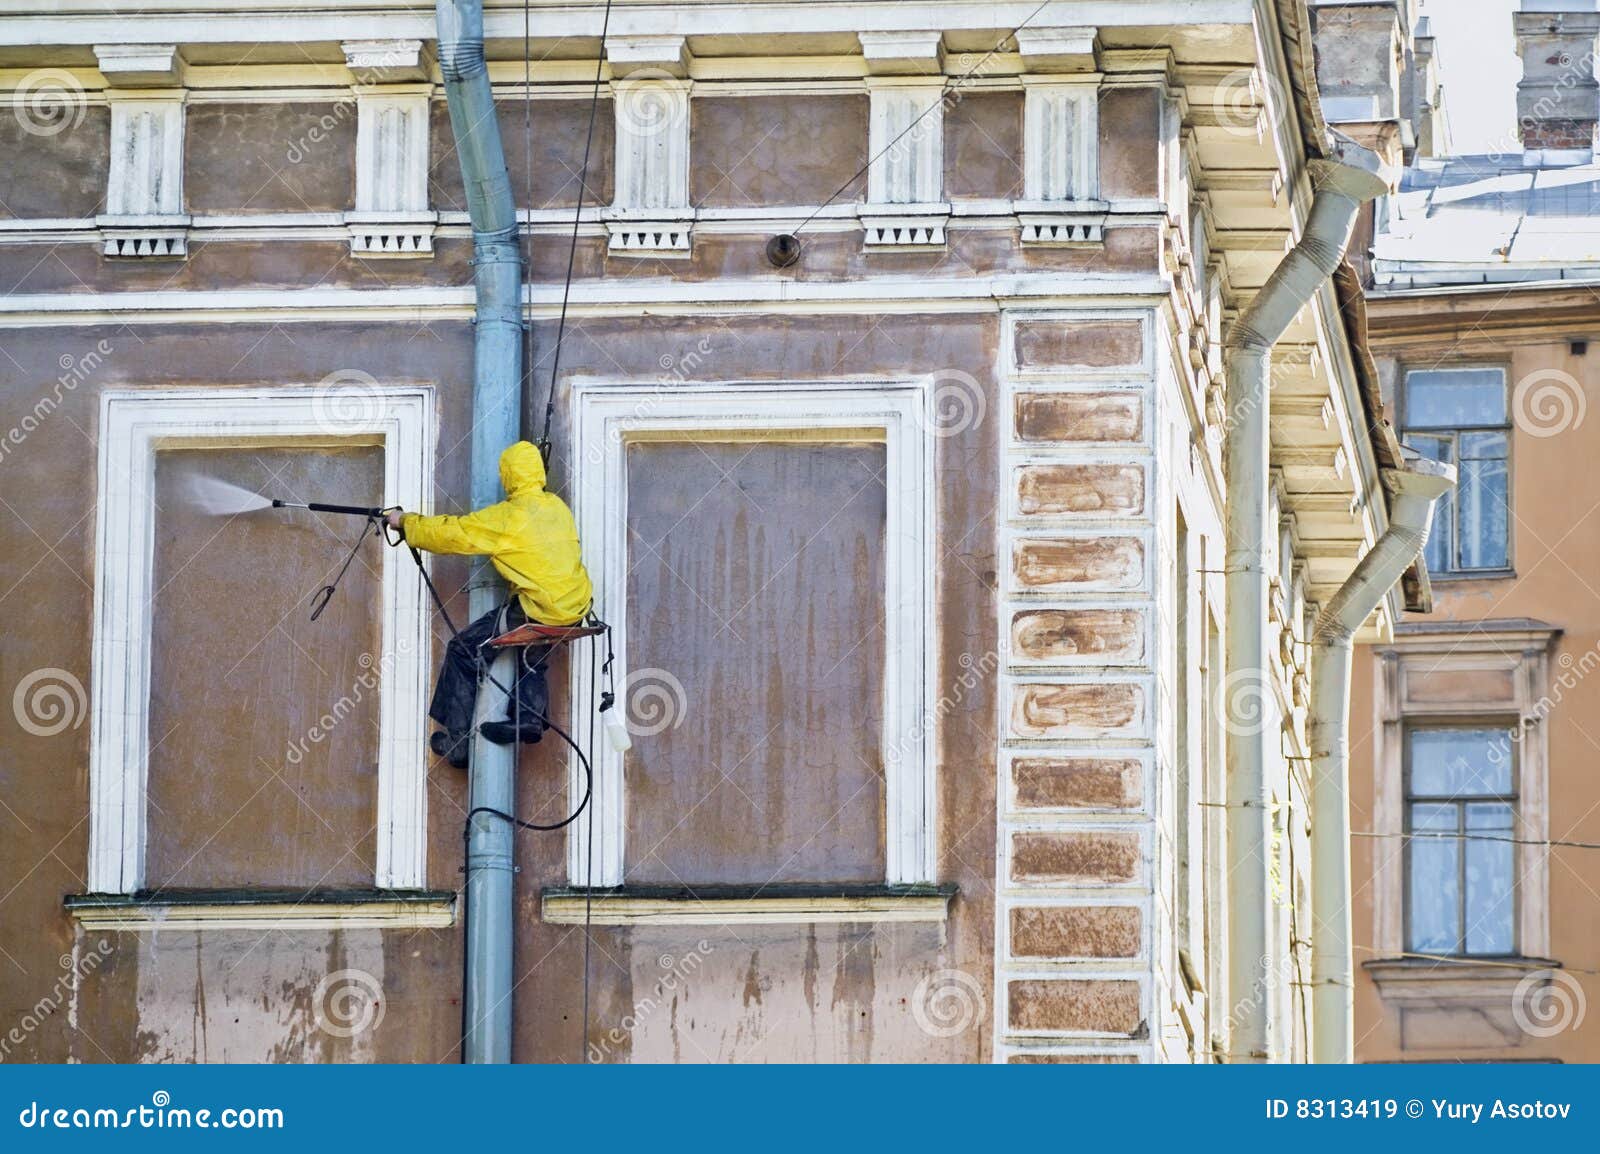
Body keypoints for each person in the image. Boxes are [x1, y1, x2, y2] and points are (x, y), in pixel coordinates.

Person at [387, 440, 592, 769]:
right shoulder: (556, 507)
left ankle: (457, 744)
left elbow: (454, 533)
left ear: (508, 476)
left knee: (464, 651)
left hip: (540, 608)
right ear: (538, 472)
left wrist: (406, 522)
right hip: (574, 608)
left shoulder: (508, 517)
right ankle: (528, 718)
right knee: (532, 653)